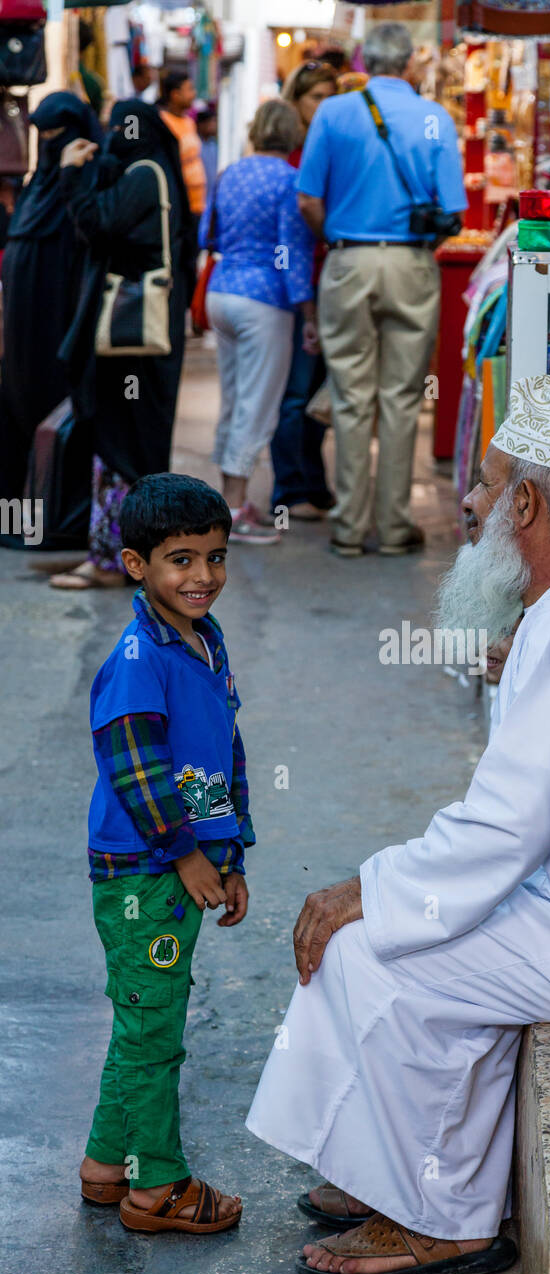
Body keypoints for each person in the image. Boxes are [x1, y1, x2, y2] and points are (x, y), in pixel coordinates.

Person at [246, 376, 550, 1274]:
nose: (468, 502)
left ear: (530, 504)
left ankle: (445, 1218)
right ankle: (392, 1171)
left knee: (364, 951)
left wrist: (368, 889)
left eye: (487, 483)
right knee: (379, 934)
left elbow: (508, 827)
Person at [80, 473, 251, 1233]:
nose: (203, 576)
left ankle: (106, 1166)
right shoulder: (135, 660)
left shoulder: (203, 640)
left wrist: (230, 851)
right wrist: (187, 854)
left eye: (215, 557)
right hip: (142, 878)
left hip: (183, 867)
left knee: (141, 1022)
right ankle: (158, 1189)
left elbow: (220, 752)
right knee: (154, 1037)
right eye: (180, 560)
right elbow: (136, 768)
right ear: (135, 564)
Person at [297, 21, 466, 557]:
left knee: (350, 397)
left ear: (365, 62)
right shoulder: (435, 118)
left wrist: (342, 239)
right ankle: (394, 528)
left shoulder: (333, 112)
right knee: (400, 397)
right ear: (410, 65)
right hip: (413, 265)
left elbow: (307, 199)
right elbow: (454, 208)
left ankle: (349, 527)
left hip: (349, 260)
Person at [49, 99, 196, 591]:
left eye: (120, 126)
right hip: (146, 340)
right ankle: (133, 559)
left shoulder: (143, 175)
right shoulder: (152, 172)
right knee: (136, 446)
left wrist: (72, 174)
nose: (113, 134)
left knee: (122, 446)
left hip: (131, 340)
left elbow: (97, 224)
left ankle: (113, 560)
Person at [202, 99, 316, 543]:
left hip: (221, 291)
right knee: (258, 405)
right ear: (291, 135)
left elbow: (205, 234)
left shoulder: (230, 173)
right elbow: (293, 251)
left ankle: (228, 500)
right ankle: (234, 507)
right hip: (264, 299)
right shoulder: (290, 181)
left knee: (233, 399)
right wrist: (307, 310)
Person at [0, 93, 102, 504]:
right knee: (18, 412)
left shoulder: (85, 182)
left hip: (62, 326)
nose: (51, 142)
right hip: (22, 333)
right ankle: (21, 513)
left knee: (60, 414)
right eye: (45, 134)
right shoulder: (35, 190)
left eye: (59, 134)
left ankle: (59, 516)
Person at [268, 61, 339, 522]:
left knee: (319, 392)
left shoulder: (329, 144)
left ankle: (313, 482)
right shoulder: (290, 155)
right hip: (297, 285)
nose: (323, 106)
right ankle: (289, 489)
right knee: (295, 390)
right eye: (316, 97)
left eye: (330, 97)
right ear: (296, 101)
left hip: (329, 277)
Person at [159, 71, 207, 230]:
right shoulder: (164, 122)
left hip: (197, 203)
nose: (193, 94)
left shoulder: (188, 121)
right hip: (179, 203)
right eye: (189, 89)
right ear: (175, 94)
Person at [195, 102, 219, 198]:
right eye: (211, 122)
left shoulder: (214, 144)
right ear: (201, 124)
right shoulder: (195, 144)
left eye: (215, 122)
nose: (214, 125)